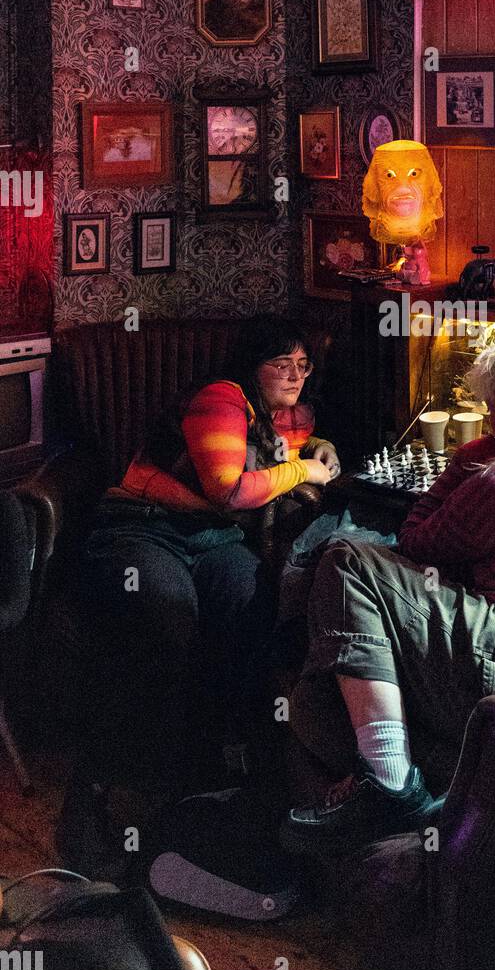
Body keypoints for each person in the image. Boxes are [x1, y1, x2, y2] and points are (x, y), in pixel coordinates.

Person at [282, 335, 495, 848]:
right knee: (319, 697)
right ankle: (445, 779)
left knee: (349, 559)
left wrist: (464, 460)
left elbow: (418, 542)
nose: (489, 418)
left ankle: (390, 781)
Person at [74, 315, 340, 797]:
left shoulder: (278, 411)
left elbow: (284, 445)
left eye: (303, 364)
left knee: (252, 597)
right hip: (145, 527)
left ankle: (230, 751)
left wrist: (319, 448)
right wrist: (302, 470)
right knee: (168, 606)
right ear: (252, 368)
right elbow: (231, 490)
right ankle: (132, 771)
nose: (297, 375)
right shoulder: (221, 397)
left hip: (212, 538)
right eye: (282, 364)